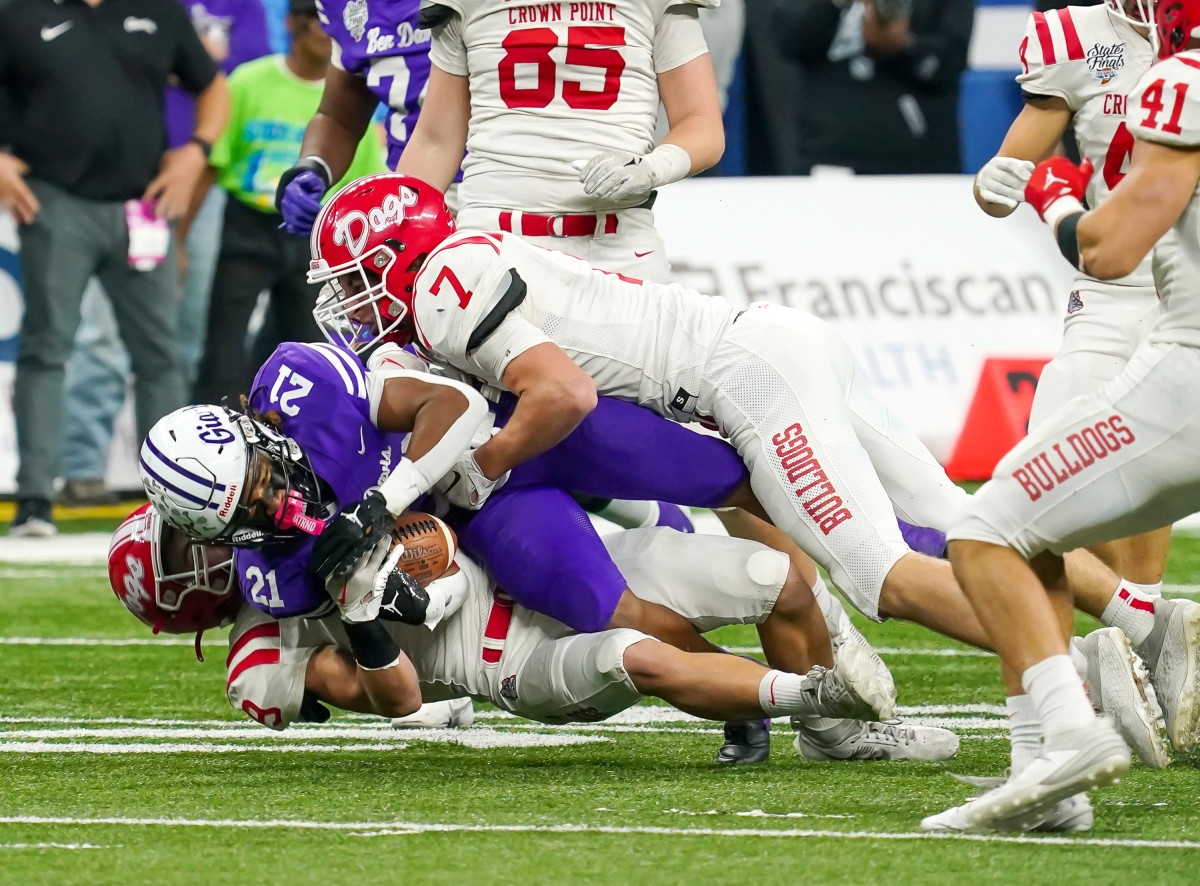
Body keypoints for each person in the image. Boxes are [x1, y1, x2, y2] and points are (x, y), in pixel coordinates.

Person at [927, 0, 1200, 832]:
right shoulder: (1077, 40)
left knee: (997, 525)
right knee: (1042, 518)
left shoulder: (1180, 81)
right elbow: (1009, 172)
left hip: (1167, 313)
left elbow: (1108, 240)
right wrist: (1006, 180)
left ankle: (1074, 725)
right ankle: (1113, 683)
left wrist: (1056, 207)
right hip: (1118, 306)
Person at [109, 503, 907, 740]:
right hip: (508, 659)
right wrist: (359, 612)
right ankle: (821, 699)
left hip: (551, 570)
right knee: (635, 656)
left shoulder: (290, 512)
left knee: (769, 575)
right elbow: (394, 699)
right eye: (184, 544)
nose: (203, 538)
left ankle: (827, 735)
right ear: (176, 599)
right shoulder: (257, 654)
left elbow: (421, 512)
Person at [0, 0, 230, 536]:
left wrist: (196, 151)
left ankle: (170, 504)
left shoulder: (157, 11)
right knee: (46, 344)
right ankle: (36, 496)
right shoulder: (18, 13)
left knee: (159, 354)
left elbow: (212, 85)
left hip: (143, 203)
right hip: (55, 201)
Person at [191, 0, 387, 405]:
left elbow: (370, 181)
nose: (329, 33)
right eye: (319, 22)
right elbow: (215, 162)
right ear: (293, 23)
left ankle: (287, 438)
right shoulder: (248, 81)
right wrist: (181, 235)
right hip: (246, 222)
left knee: (302, 341)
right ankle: (214, 430)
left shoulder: (353, 99)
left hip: (314, 234)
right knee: (223, 342)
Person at [770, 0, 975, 174]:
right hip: (827, 159)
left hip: (919, 163)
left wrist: (905, 46)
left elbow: (951, 62)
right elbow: (787, 40)